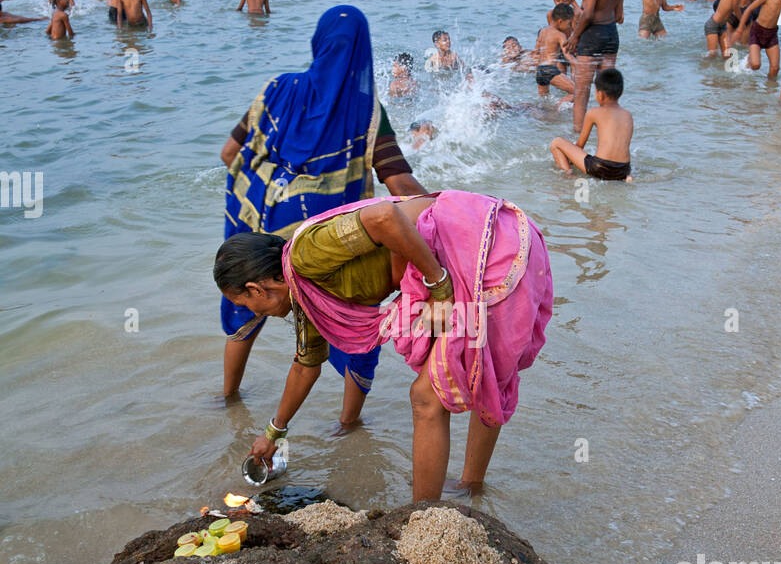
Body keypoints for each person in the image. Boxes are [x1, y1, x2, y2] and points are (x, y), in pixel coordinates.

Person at [214, 189, 553, 501]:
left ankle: (424, 522)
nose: (250, 312)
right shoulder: (307, 294)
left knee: (426, 398)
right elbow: (306, 367)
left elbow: (384, 217)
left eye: (243, 304)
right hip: (491, 241)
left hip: (483, 249)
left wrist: (439, 286)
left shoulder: (305, 254)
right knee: (484, 372)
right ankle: (470, 487)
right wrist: (272, 435)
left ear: (256, 289)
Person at [219, 6, 427, 416]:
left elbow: (230, 154)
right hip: (330, 245)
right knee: (354, 321)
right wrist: (446, 204)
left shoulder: (277, 89)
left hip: (258, 236)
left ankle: (227, 398)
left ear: (318, 42)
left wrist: (272, 193)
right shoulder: (366, 112)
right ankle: (347, 424)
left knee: (246, 303)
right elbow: (399, 184)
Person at [564, 0, 625, 132]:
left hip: (592, 36)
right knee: (608, 94)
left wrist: (574, 37)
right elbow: (619, 15)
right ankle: (608, 138)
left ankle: (578, 139)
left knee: (581, 93)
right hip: (611, 37)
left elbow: (588, 12)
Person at [549, 67, 632, 180]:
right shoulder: (628, 115)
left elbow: (580, 145)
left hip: (600, 168)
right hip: (623, 170)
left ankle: (569, 177)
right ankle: (626, 179)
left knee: (556, 142)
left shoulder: (594, 112)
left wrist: (569, 157)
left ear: (600, 94)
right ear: (621, 92)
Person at [534, 5, 575, 95]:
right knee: (576, 92)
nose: (569, 27)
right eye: (569, 23)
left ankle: (545, 109)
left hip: (540, 70)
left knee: (544, 98)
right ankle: (559, 107)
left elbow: (537, 50)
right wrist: (578, 63)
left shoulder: (542, 31)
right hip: (550, 70)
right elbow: (567, 55)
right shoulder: (560, 35)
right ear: (560, 21)